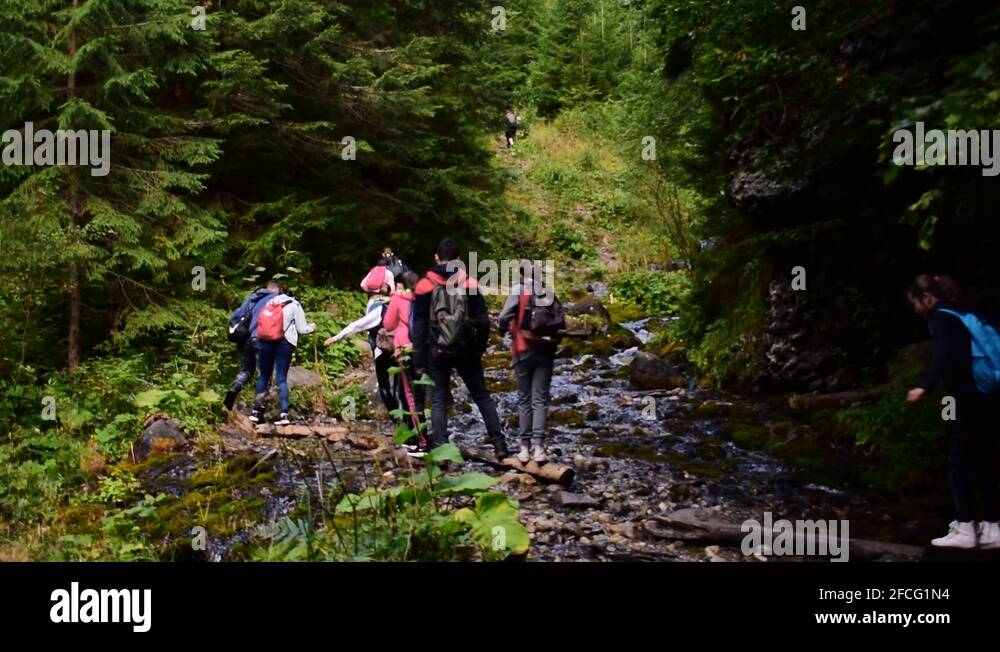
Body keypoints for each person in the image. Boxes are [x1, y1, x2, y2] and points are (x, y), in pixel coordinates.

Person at [906, 274, 1000, 549]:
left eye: (914, 302)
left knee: (959, 460)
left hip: (963, 399)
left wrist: (924, 386)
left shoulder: (941, 318)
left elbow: (941, 354)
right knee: (988, 460)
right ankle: (993, 528)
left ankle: (965, 527)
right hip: (989, 395)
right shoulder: (966, 313)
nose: (913, 308)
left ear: (928, 298)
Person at [411, 238, 508, 456]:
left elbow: (418, 326)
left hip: (436, 349)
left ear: (437, 257)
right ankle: (499, 444)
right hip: (466, 350)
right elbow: (483, 321)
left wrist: (419, 360)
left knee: (437, 400)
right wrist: (479, 348)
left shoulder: (425, 285)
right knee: (482, 396)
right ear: (458, 259)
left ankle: (442, 451)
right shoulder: (470, 283)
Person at [498, 262, 559, 463]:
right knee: (540, 400)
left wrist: (504, 328)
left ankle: (524, 448)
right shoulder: (548, 291)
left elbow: (503, 316)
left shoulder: (519, 289)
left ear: (522, 274)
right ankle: (539, 449)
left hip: (523, 349)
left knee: (524, 399)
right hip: (545, 350)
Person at [325, 280, 400, 415]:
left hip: (384, 352)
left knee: (384, 385)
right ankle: (410, 422)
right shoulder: (411, 307)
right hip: (404, 351)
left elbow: (357, 325)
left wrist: (335, 338)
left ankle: (396, 418)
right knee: (404, 387)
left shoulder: (382, 309)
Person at [251, 282, 316, 426]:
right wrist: (312, 327)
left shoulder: (268, 302)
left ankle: (256, 411)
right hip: (284, 344)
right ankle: (284, 414)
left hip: (265, 342)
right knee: (281, 379)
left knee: (263, 377)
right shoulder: (294, 305)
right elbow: (302, 329)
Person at [383, 271, 427, 451]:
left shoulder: (398, 299)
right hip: (422, 346)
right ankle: (415, 435)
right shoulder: (425, 297)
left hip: (404, 348)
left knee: (409, 395)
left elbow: (388, 324)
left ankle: (421, 442)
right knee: (419, 394)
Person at [223, 283, 278, 411]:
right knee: (264, 375)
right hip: (261, 339)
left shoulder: (253, 298)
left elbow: (235, 317)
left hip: (245, 340)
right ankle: (259, 409)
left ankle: (233, 389)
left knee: (245, 371)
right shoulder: (276, 299)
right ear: (277, 289)